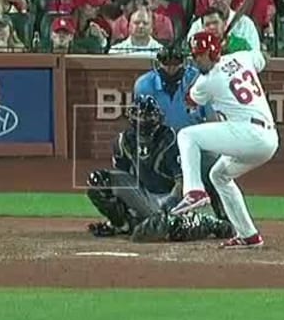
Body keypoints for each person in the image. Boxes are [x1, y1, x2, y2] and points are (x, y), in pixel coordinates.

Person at [168, 30, 274, 249]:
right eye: (195, 55)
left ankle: (194, 191)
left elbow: (190, 101)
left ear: (213, 51)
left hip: (248, 133)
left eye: (200, 55)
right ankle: (249, 235)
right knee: (219, 175)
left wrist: (196, 87)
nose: (196, 59)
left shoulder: (207, 81)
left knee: (187, 135)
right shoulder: (243, 57)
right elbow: (263, 57)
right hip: (267, 139)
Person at [85, 95, 232, 242]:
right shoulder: (123, 141)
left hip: (172, 198)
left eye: (148, 119)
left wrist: (169, 207)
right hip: (145, 194)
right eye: (140, 119)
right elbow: (122, 178)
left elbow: (182, 182)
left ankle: (212, 224)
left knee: (175, 228)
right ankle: (123, 225)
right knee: (99, 181)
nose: (143, 122)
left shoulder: (170, 139)